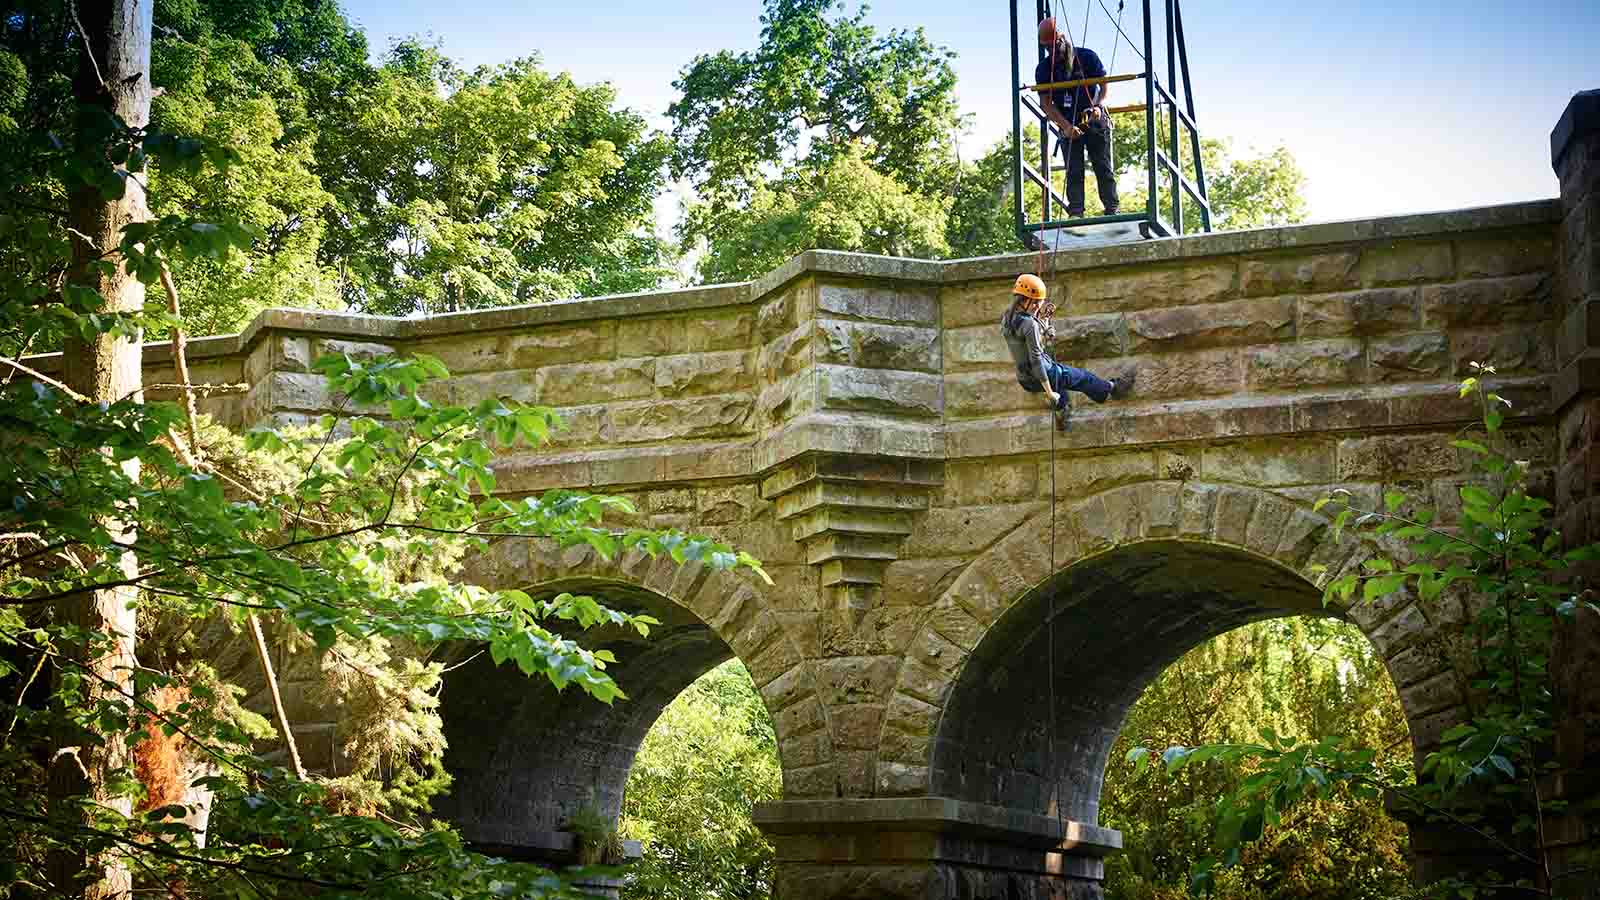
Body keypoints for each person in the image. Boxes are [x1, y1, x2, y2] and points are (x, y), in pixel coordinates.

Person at [1002, 273, 1134, 430]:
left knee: (1061, 383)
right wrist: (1049, 393)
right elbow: (1036, 358)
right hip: (1042, 373)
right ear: (1024, 299)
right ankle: (1112, 388)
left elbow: (1026, 345)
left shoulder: (1007, 319)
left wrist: (1043, 324)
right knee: (1083, 377)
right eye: (1036, 302)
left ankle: (1062, 411)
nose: (1038, 306)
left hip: (1025, 380)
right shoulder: (1030, 324)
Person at [1034, 17, 1118, 220]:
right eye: (1046, 47)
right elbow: (1046, 104)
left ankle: (1112, 209)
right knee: (1073, 170)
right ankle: (1076, 213)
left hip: (1093, 118)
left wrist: (1097, 105)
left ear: (1062, 39)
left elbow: (1104, 85)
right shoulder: (1044, 69)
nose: (1051, 51)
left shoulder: (1086, 57)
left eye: (1053, 45)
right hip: (1067, 121)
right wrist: (1065, 126)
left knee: (1102, 165)